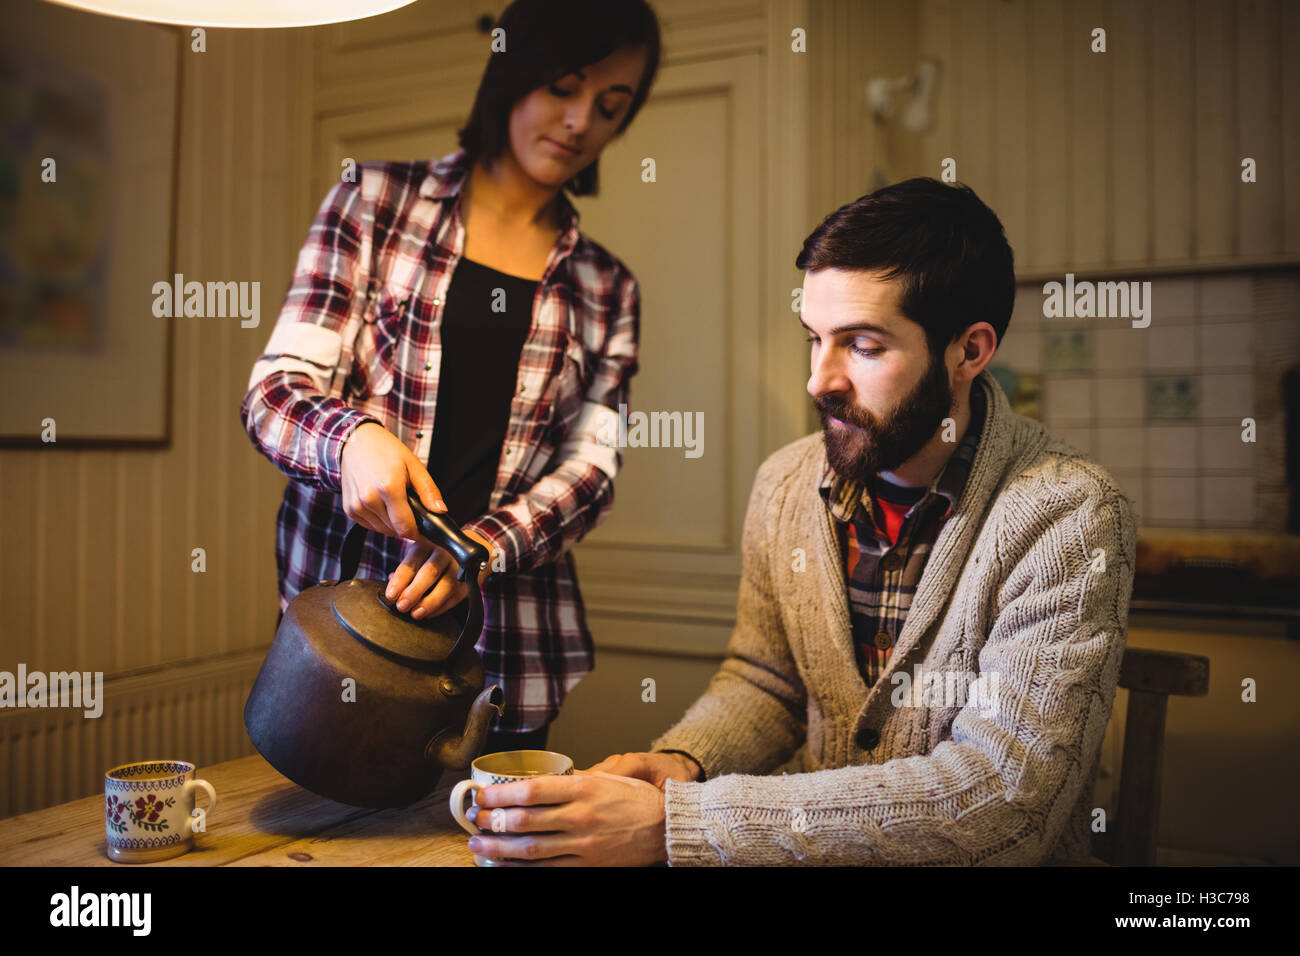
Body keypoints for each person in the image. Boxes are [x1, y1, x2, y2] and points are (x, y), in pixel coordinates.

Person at [461, 178, 1139, 865]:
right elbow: (769, 682)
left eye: (863, 346)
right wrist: (685, 762)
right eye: (815, 338)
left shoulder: (1069, 515)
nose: (820, 379)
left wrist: (679, 824)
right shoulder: (786, 484)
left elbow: (1004, 803)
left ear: (969, 351)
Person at [240, 0, 661, 755]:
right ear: (513, 72)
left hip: (512, 652)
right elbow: (276, 390)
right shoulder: (375, 204)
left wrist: (481, 548)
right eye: (562, 87)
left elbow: (593, 469)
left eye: (610, 106)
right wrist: (351, 441)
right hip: (344, 639)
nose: (580, 122)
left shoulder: (607, 287)